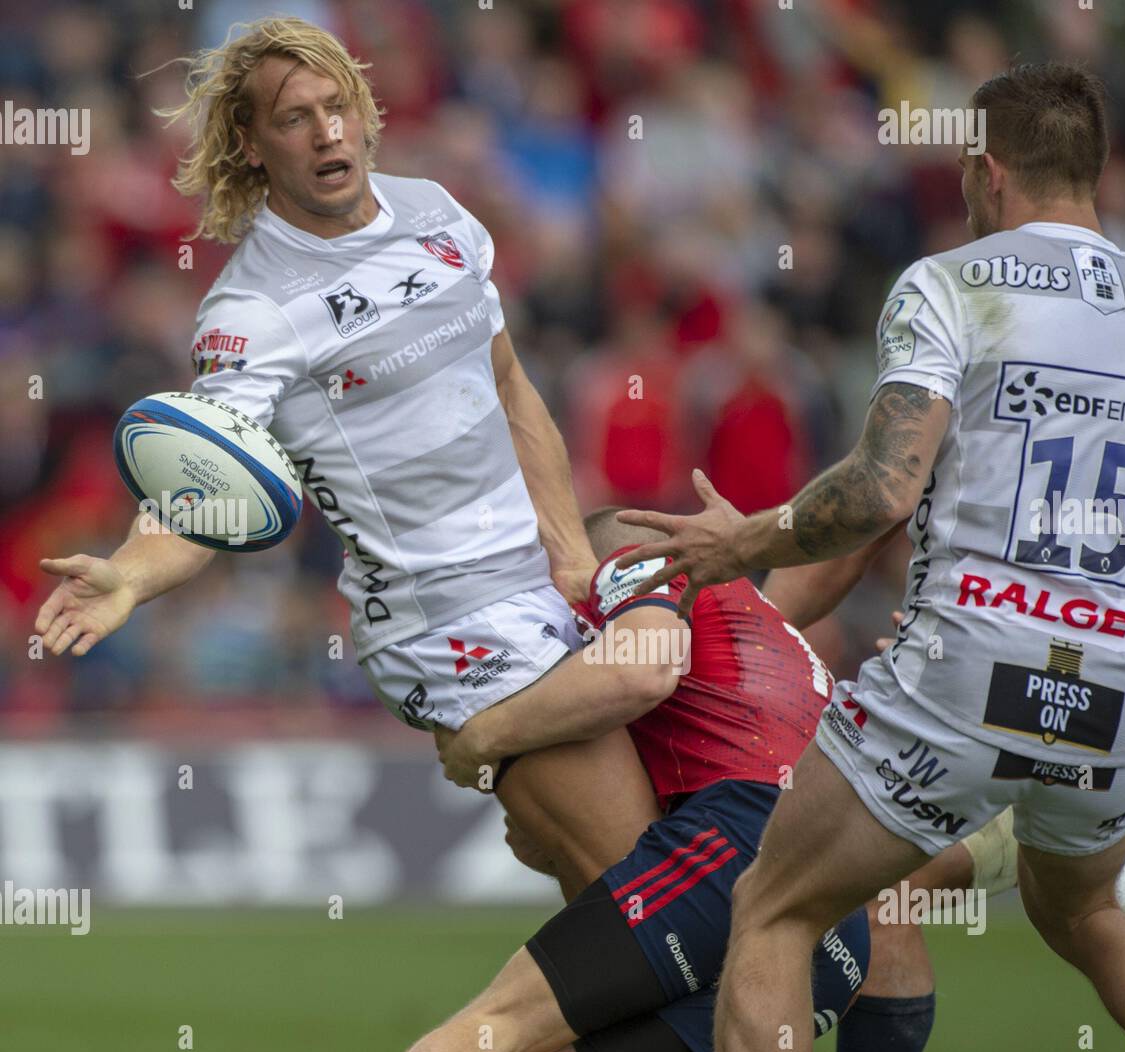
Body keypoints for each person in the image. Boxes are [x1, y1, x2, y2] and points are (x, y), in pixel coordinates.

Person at [612, 62, 1125, 1052]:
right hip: (1119, 678)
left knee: (775, 906)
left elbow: (876, 491)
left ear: (987, 170)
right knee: (1083, 912)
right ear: (1096, 170)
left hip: (969, 663)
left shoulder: (948, 285)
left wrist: (737, 543)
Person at [148, 508, 1005, 1052]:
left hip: (734, 847)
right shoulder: (777, 630)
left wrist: (482, 735)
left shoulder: (635, 566)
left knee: (492, 1029)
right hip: (831, 924)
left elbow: (637, 674)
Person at [33, 17, 659, 902]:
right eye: (294, 119)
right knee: (652, 896)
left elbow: (512, 387)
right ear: (250, 145)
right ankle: (467, 1031)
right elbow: (206, 489)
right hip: (444, 624)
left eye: (338, 107)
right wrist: (131, 576)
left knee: (650, 901)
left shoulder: (439, 212)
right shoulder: (249, 311)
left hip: (538, 584)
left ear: (364, 113)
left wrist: (571, 559)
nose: (327, 132)